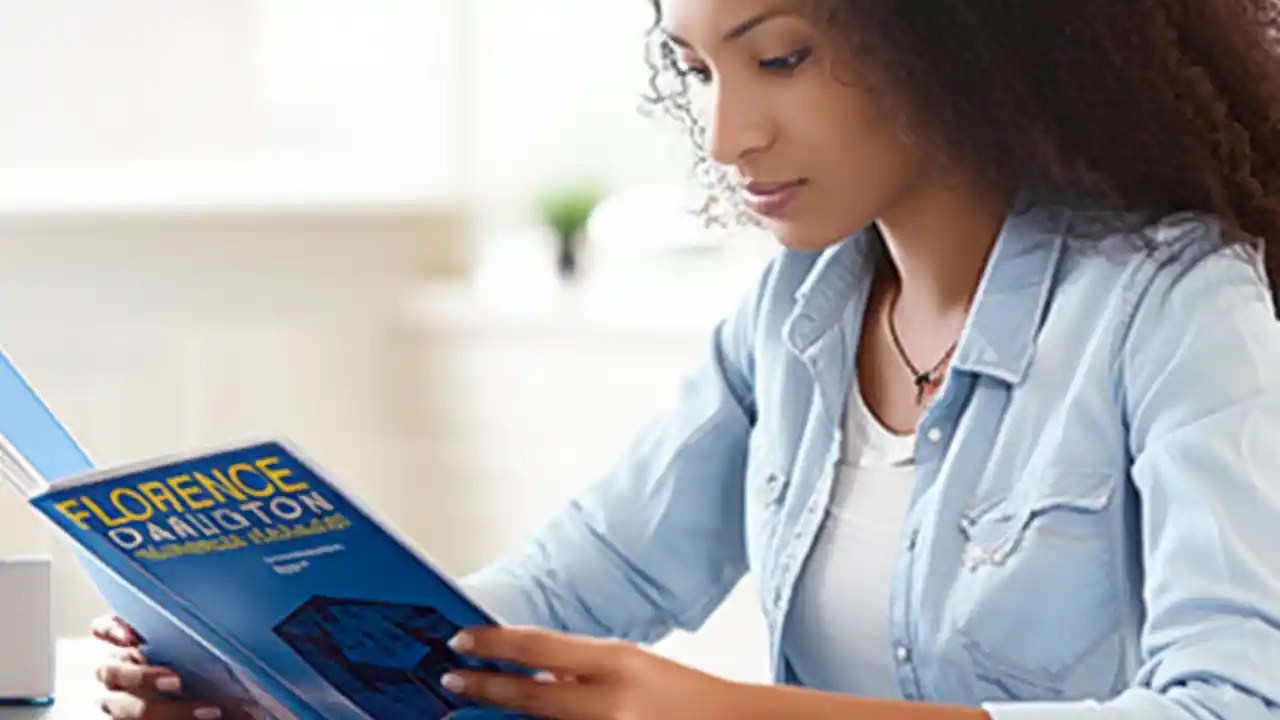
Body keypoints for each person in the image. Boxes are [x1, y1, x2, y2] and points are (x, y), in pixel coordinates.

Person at [92, 0, 1280, 718]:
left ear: (953, 37)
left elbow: (1225, 703)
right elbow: (570, 588)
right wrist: (277, 668)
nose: (726, 136)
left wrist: (735, 716)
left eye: (780, 59)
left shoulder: (1170, 302)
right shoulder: (797, 311)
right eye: (700, 69)